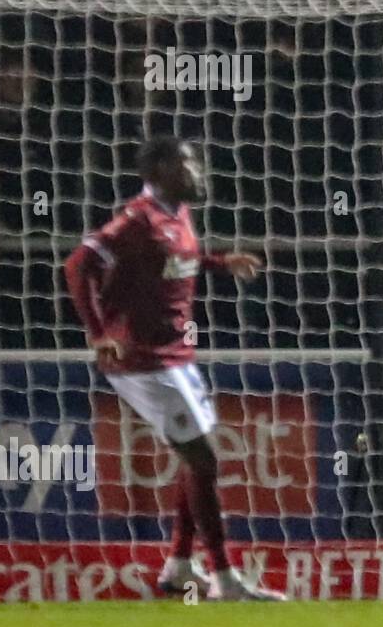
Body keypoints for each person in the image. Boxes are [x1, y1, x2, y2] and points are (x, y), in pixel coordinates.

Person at [63, 137, 279, 601]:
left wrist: (219, 262)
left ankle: (180, 566)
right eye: (187, 163)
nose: (198, 171)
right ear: (160, 169)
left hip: (177, 354)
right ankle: (224, 579)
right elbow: (79, 265)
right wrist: (99, 332)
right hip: (140, 358)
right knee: (202, 457)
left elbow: (175, 258)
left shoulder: (177, 213)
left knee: (196, 459)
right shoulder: (137, 218)